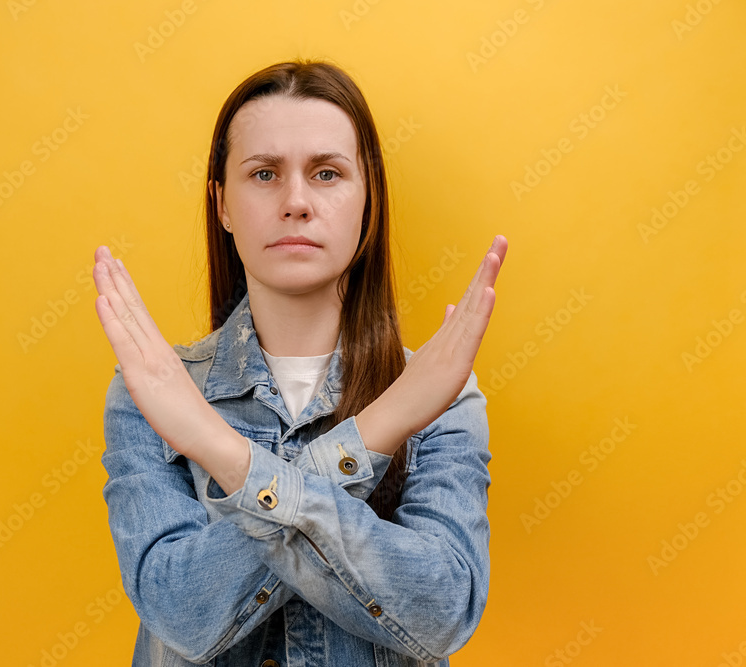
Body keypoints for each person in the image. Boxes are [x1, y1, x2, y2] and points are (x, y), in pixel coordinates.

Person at [92, 58, 507, 666]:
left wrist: (224, 455)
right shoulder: (149, 393)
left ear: (368, 199)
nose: (296, 202)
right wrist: (375, 435)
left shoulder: (443, 395)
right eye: (263, 174)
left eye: (327, 173)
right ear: (223, 205)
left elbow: (440, 612)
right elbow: (181, 613)